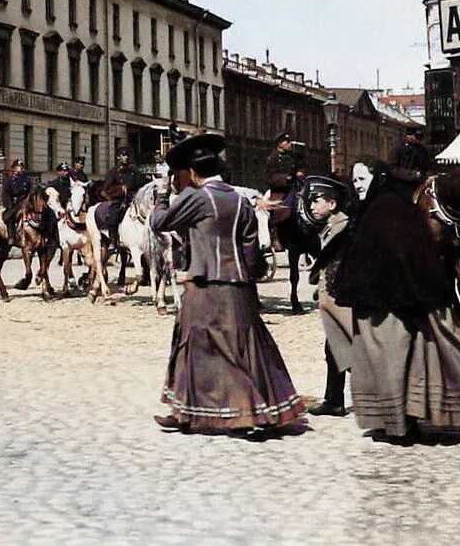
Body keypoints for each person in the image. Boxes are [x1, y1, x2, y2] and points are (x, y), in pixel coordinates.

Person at [332, 160, 460, 443]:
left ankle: (398, 428)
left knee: (389, 365)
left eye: (362, 179)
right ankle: (407, 422)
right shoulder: (403, 211)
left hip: (384, 307)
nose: (357, 185)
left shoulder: (380, 211)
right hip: (407, 303)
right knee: (412, 365)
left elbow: (377, 258)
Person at [149, 133, 305, 435]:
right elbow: (250, 246)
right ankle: (192, 412)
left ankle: (234, 411)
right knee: (248, 347)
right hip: (239, 286)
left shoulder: (196, 196)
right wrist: (245, 277)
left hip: (206, 285)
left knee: (194, 347)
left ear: (193, 173)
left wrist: (161, 195)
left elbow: (160, 223)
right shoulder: (239, 199)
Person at [302, 175, 353, 417]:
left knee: (347, 351)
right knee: (333, 349)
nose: (311, 206)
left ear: (332, 204)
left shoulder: (342, 226)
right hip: (332, 298)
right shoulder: (332, 225)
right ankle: (334, 400)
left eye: (316, 200)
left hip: (341, 300)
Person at [97, 146, 147, 244]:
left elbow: (143, 184)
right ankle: (113, 240)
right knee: (113, 216)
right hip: (119, 200)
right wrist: (120, 188)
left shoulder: (134, 171)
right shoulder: (113, 172)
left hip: (134, 199)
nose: (126, 157)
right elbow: (105, 189)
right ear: (118, 157)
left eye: (127, 155)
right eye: (123, 155)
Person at [388, 126, 433, 201]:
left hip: (419, 184)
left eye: (416, 136)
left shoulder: (422, 149)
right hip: (401, 184)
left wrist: (426, 175)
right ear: (407, 136)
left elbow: (427, 165)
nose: (414, 138)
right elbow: (392, 168)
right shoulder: (398, 148)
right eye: (412, 135)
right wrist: (410, 174)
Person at [1, 159, 33, 233]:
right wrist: (8, 204)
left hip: (25, 202)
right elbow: (5, 193)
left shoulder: (26, 179)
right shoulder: (9, 180)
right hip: (14, 203)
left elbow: (30, 190)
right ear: (14, 168)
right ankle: (11, 235)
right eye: (19, 167)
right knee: (10, 216)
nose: (22, 169)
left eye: (22, 167)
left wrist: (28, 200)